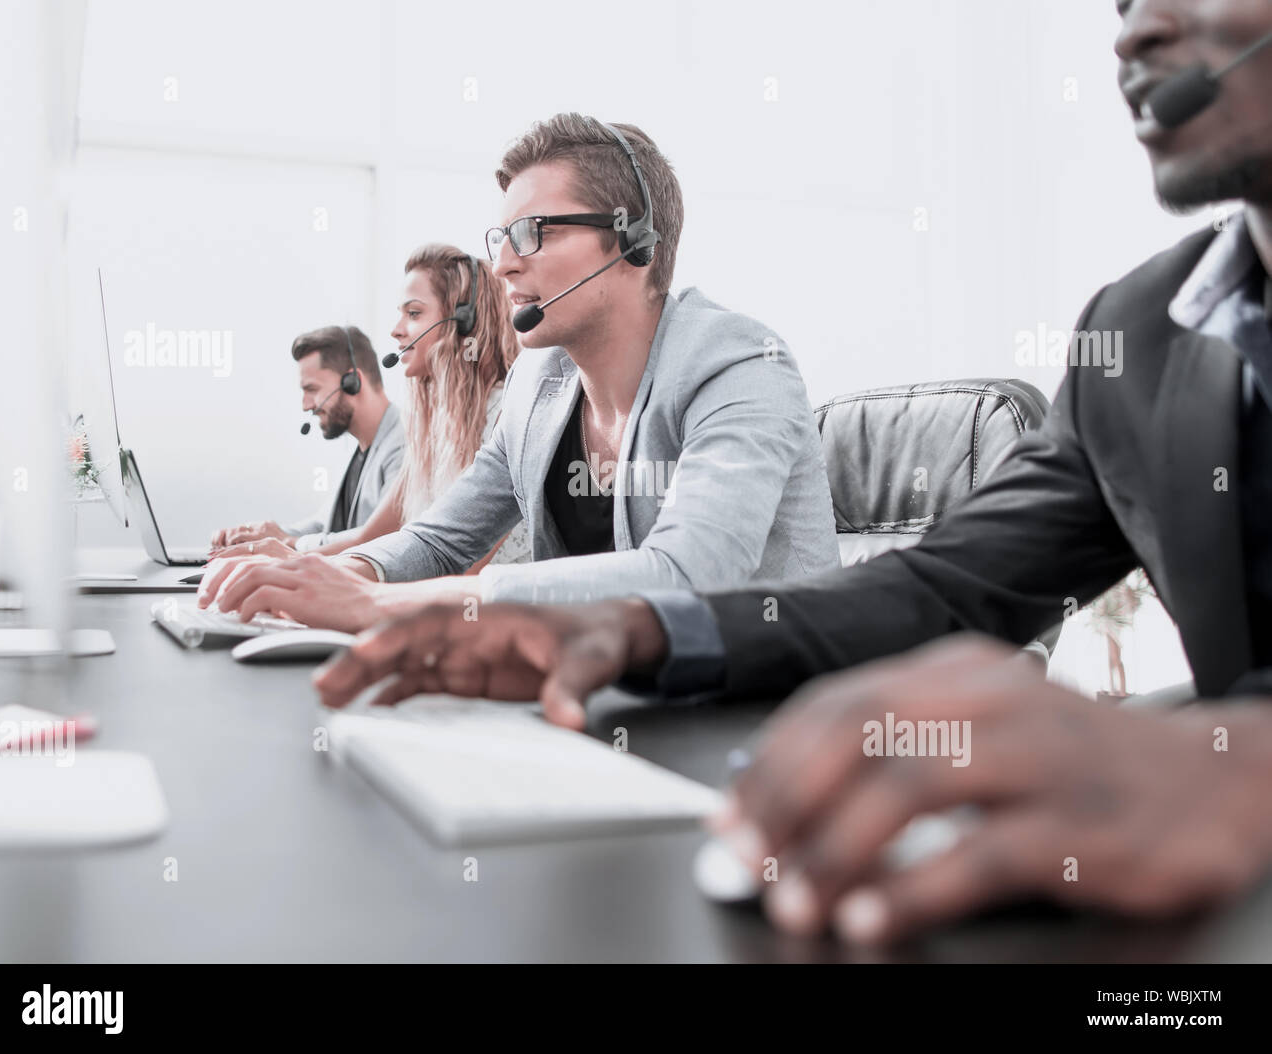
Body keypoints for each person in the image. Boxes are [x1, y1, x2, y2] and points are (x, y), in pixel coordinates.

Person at [314, 1, 1272, 945]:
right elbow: (945, 588)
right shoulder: (1143, 335)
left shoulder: (733, 360)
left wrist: (1234, 767)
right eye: (1122, 0)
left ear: (632, 239)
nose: (1133, 29)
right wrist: (634, 628)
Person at [197, 114, 839, 630]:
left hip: (768, 728)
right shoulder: (540, 388)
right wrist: (351, 572)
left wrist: (381, 604)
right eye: (500, 237)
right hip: (615, 703)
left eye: (531, 232)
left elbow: (690, 575)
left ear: (633, 241)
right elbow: (441, 541)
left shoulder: (740, 365)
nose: (502, 265)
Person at [210, 246, 528, 568]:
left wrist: (298, 560)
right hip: (425, 604)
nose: (396, 329)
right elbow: (375, 538)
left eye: (414, 313)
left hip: (478, 613)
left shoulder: (505, 418)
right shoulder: (432, 428)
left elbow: (459, 567)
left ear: (463, 322)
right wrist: (287, 557)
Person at [210, 325, 403, 554]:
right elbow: (325, 525)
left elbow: (382, 536)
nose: (306, 405)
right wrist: (263, 534)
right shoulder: (361, 448)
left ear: (353, 381)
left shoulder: (404, 443)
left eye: (312, 389)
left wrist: (288, 542)